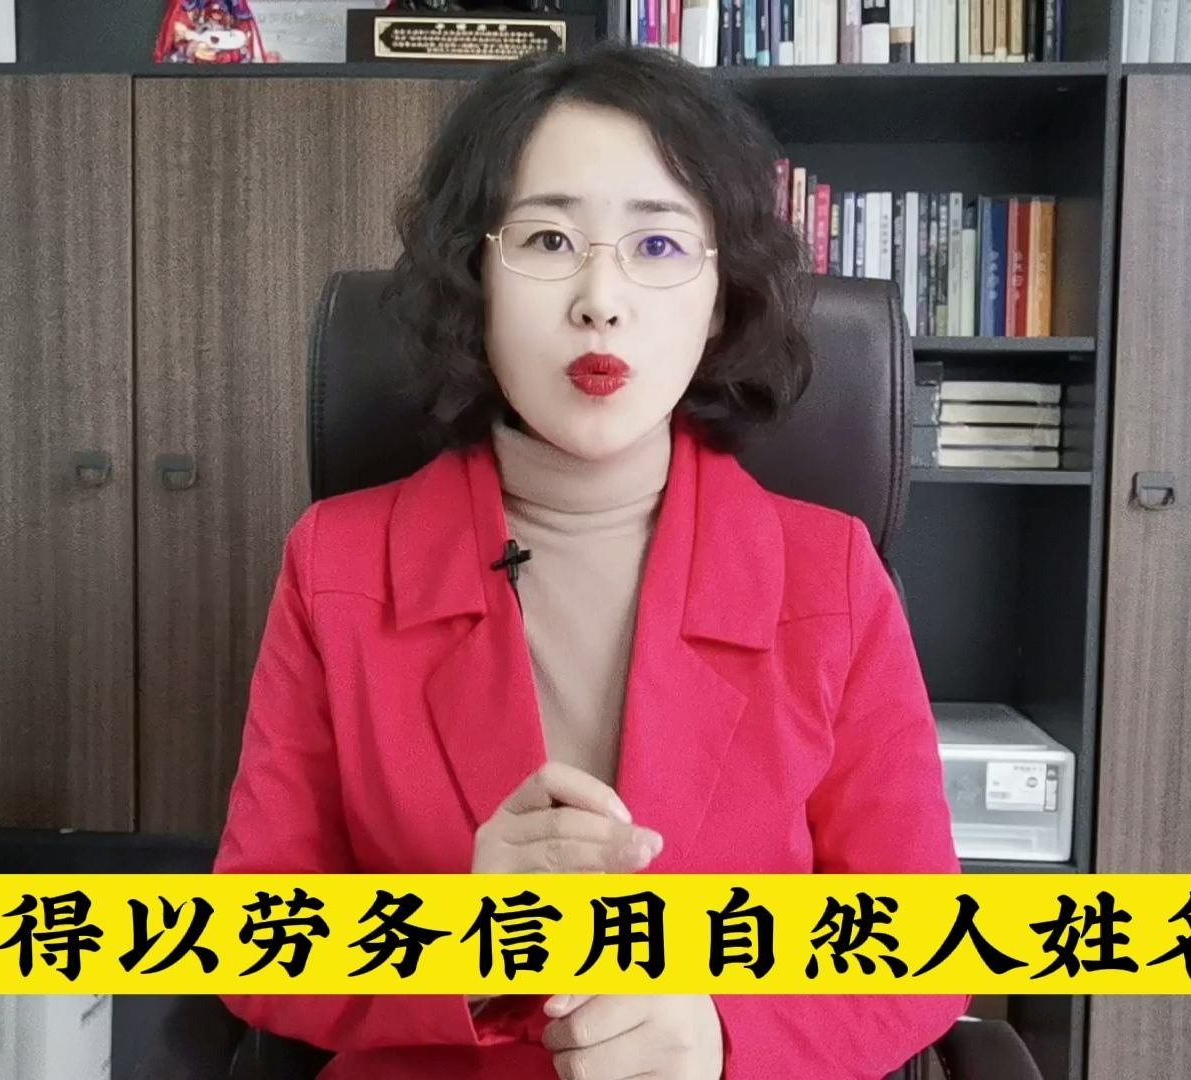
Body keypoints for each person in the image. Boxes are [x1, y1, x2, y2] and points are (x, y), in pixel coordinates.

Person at [213, 41, 969, 1080]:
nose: (600, 300)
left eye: (658, 245)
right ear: (475, 277)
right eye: (548, 238)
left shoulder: (828, 575)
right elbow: (253, 940)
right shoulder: (336, 563)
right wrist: (460, 943)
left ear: (719, 296)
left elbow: (921, 947)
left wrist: (722, 1033)